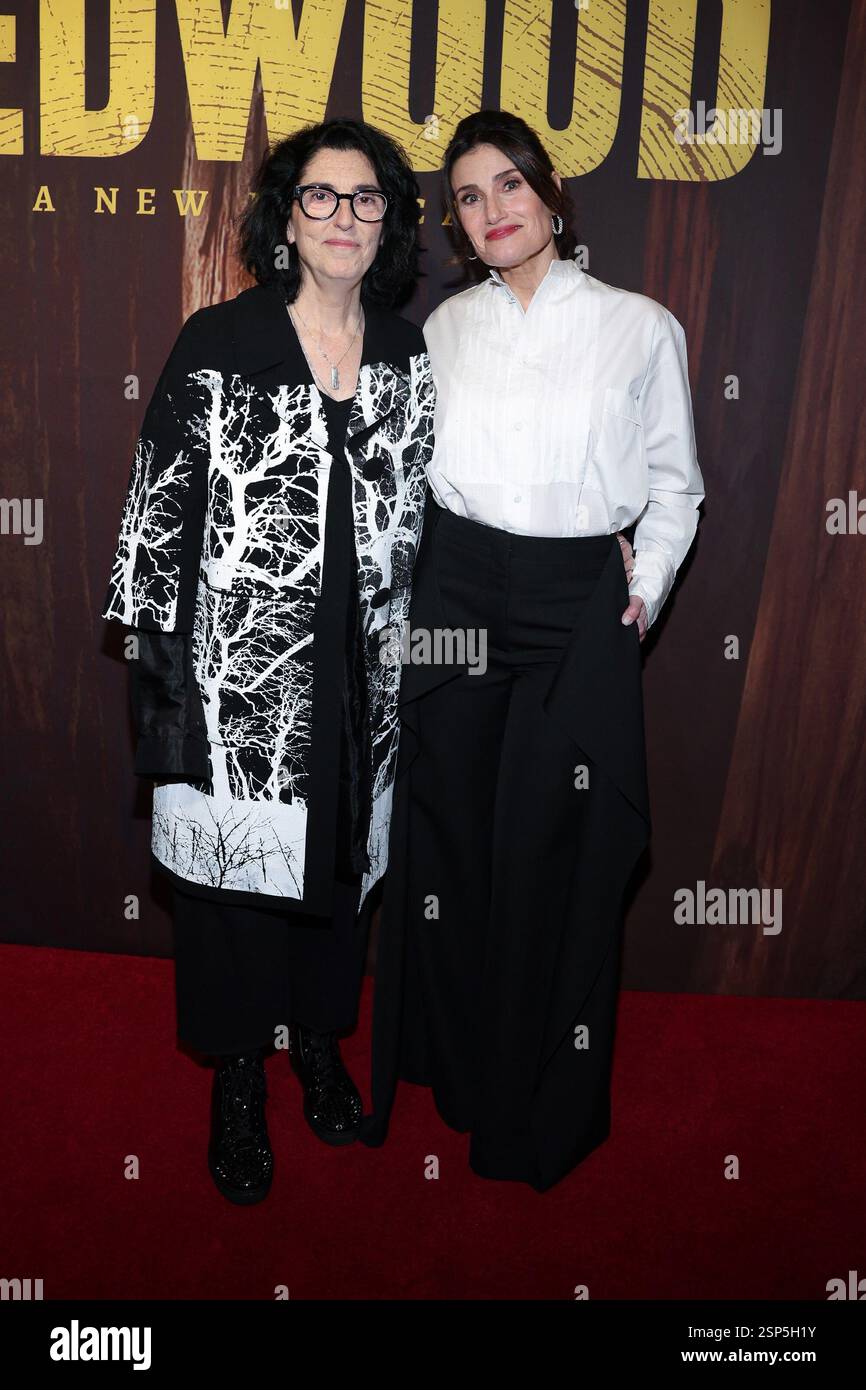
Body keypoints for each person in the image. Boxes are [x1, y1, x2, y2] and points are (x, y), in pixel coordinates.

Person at [360, 109, 705, 1192]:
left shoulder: (639, 326)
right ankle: (457, 1073)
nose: (493, 209)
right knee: (450, 844)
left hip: (573, 608)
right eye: (467, 196)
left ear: (549, 196)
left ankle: (536, 1108)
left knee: (554, 855)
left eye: (508, 185)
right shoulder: (440, 332)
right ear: (454, 224)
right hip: (455, 591)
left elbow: (673, 486)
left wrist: (637, 592)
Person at [101, 118, 435, 1204]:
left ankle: (320, 1044)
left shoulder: (402, 350)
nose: (344, 217)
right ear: (285, 217)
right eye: (321, 197)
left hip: (364, 674)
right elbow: (155, 526)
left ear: (387, 222)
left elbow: (433, 510)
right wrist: (161, 706)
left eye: (366, 198)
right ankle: (239, 1078)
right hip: (238, 680)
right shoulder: (221, 340)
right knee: (236, 890)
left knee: (339, 873)